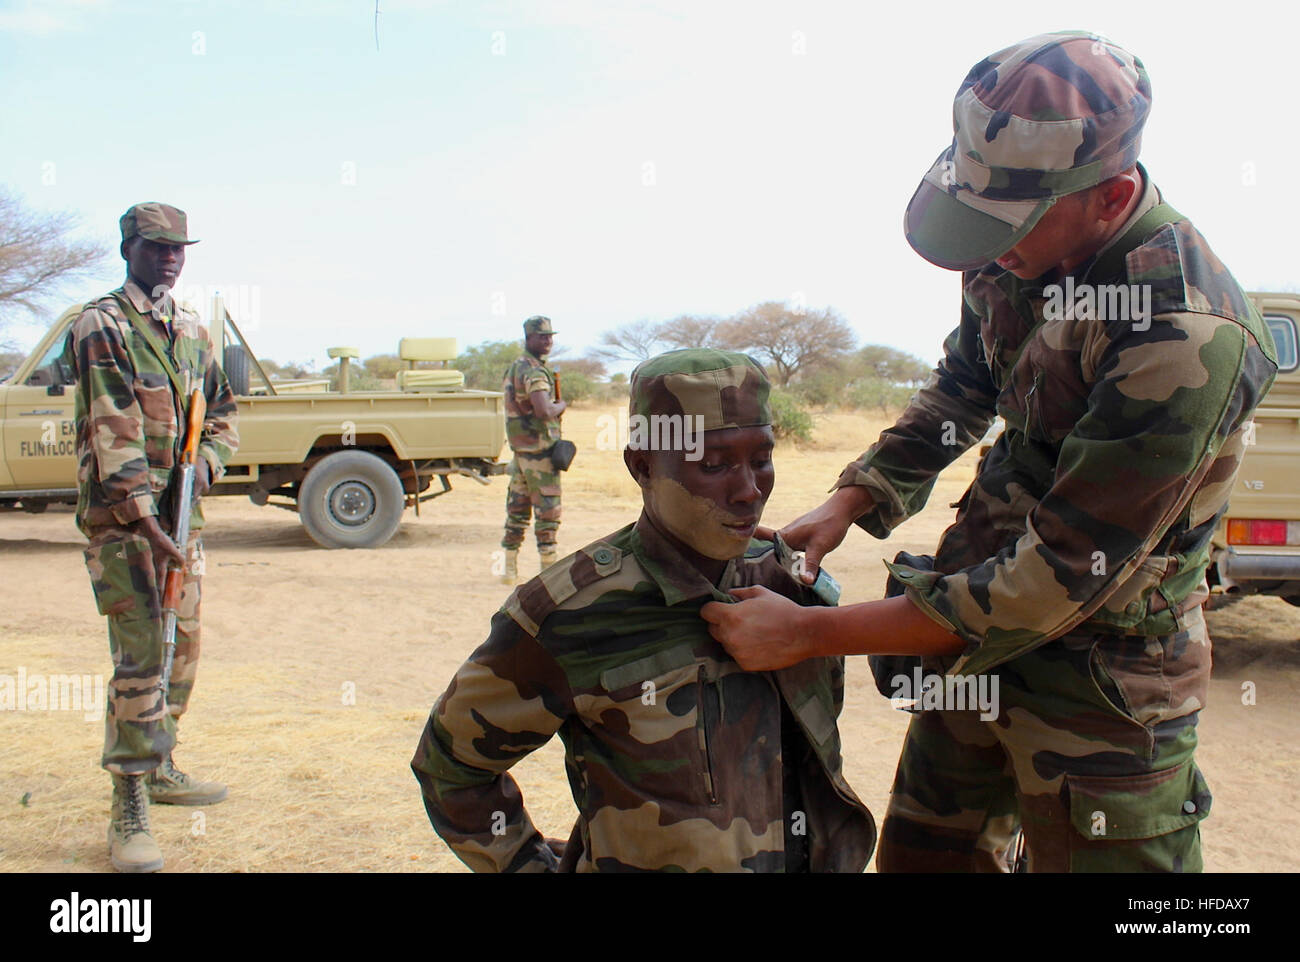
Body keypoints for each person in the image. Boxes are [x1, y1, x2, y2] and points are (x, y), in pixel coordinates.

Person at [701, 31, 1278, 873]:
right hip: (970, 642)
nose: (990, 255)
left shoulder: (1183, 331)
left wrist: (809, 634)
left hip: (1102, 680)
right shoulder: (1013, 243)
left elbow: (1058, 577)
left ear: (1112, 197)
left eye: (1009, 229)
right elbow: (965, 386)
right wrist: (851, 502)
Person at [412, 349, 875, 872]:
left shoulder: (788, 582)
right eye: (714, 465)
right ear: (643, 466)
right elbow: (451, 766)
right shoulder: (571, 613)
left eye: (761, 459)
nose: (749, 491)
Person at [66, 202, 239, 873]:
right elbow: (111, 425)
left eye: (178, 248)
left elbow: (221, 413)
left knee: (182, 649)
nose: (169, 258)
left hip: (180, 520)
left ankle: (161, 765)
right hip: (126, 524)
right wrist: (145, 517)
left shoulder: (191, 327)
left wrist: (208, 464)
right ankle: (129, 803)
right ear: (127, 249)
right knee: (142, 654)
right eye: (155, 246)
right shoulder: (102, 323)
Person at [499, 315, 566, 584]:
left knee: (517, 510)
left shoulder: (515, 367)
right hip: (540, 453)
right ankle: (549, 573)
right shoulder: (535, 371)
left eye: (550, 336)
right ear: (529, 338)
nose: (548, 341)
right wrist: (561, 406)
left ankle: (508, 570)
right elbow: (544, 411)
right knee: (547, 512)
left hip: (521, 453)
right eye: (542, 337)